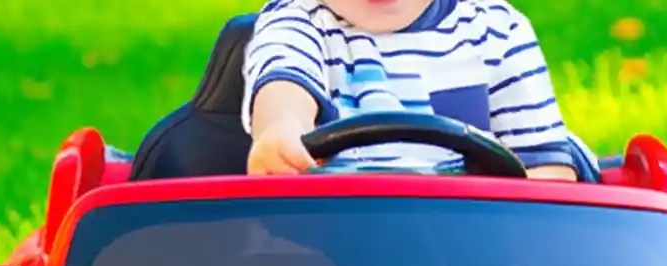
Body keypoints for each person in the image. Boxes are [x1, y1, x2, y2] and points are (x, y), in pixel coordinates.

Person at [241, 0, 598, 179]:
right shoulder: (299, 22)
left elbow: (547, 175)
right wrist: (280, 129)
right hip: (334, 247)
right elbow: (284, 85)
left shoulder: (497, 31)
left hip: (474, 255)